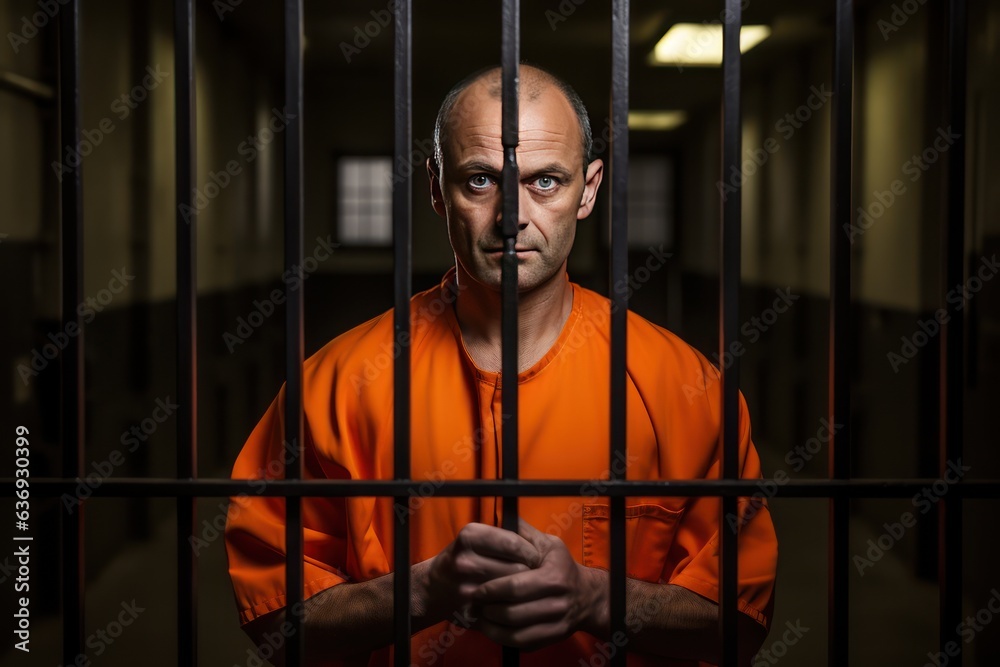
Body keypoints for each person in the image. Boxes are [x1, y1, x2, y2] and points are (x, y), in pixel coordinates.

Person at [224, 64, 777, 666]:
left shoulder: (685, 389)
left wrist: (597, 598)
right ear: (436, 188)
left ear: (589, 190)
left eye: (546, 182)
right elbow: (272, 617)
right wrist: (422, 593)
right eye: (481, 180)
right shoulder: (334, 386)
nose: (512, 214)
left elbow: (740, 624)